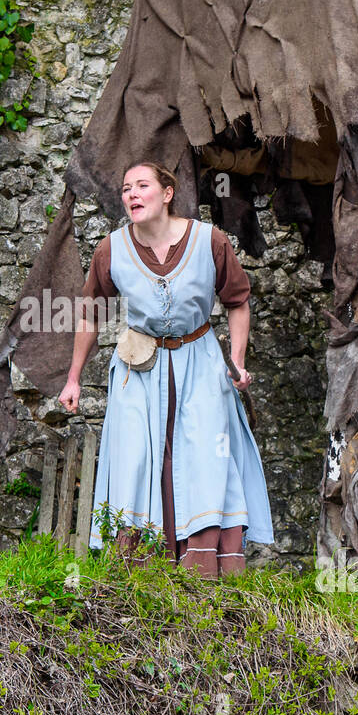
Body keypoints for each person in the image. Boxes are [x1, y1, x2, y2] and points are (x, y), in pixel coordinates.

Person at [59, 161, 274, 576]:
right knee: (135, 461)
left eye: (142, 186)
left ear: (167, 193)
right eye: (126, 189)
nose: (132, 195)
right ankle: (141, 579)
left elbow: (237, 302)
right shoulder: (111, 250)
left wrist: (237, 362)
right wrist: (73, 377)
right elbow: (90, 315)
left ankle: (205, 575)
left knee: (205, 460)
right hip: (138, 370)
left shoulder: (209, 240)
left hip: (201, 363)